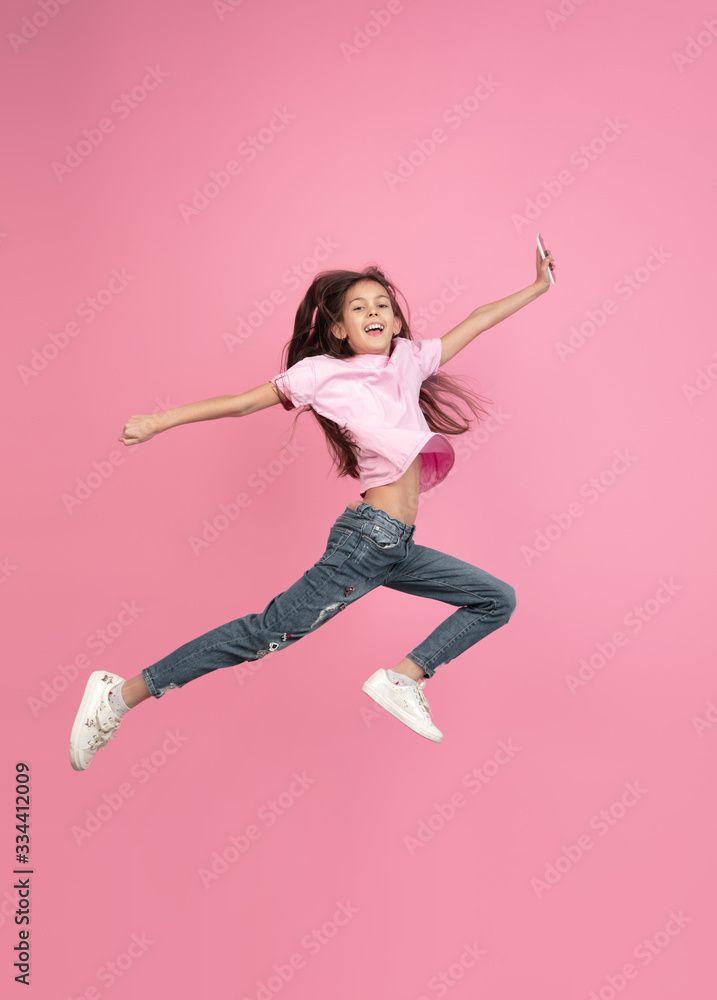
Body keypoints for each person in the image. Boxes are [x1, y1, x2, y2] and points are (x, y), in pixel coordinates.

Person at [69, 246, 556, 770]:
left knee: (495, 600)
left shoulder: (409, 360)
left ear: (396, 321)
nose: (373, 312)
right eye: (359, 307)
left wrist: (538, 286)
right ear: (340, 329)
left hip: (396, 548)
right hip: (365, 542)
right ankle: (118, 697)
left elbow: (477, 320)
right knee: (263, 634)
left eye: (382, 305)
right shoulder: (320, 373)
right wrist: (159, 421)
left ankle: (403, 678)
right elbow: (241, 403)